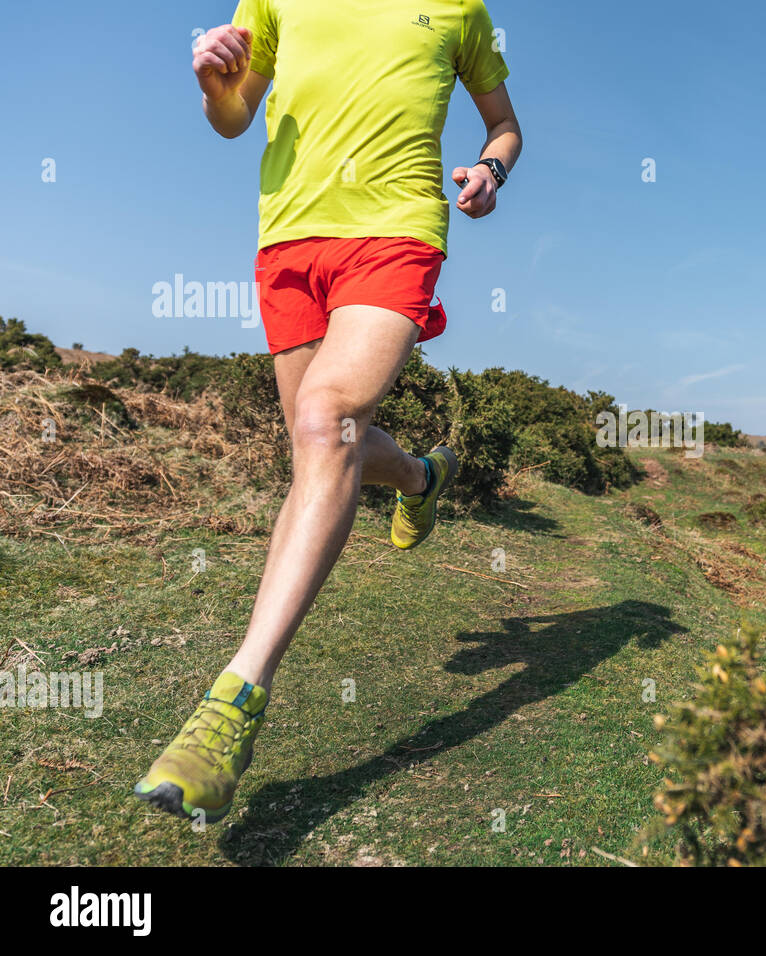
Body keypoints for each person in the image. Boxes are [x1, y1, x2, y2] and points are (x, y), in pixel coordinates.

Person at [134, 0, 522, 823]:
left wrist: (491, 170)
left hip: (399, 230)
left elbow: (504, 124)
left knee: (326, 421)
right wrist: (213, 83)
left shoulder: (462, 10)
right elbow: (235, 119)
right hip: (289, 242)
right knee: (322, 445)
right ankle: (420, 477)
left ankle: (235, 700)